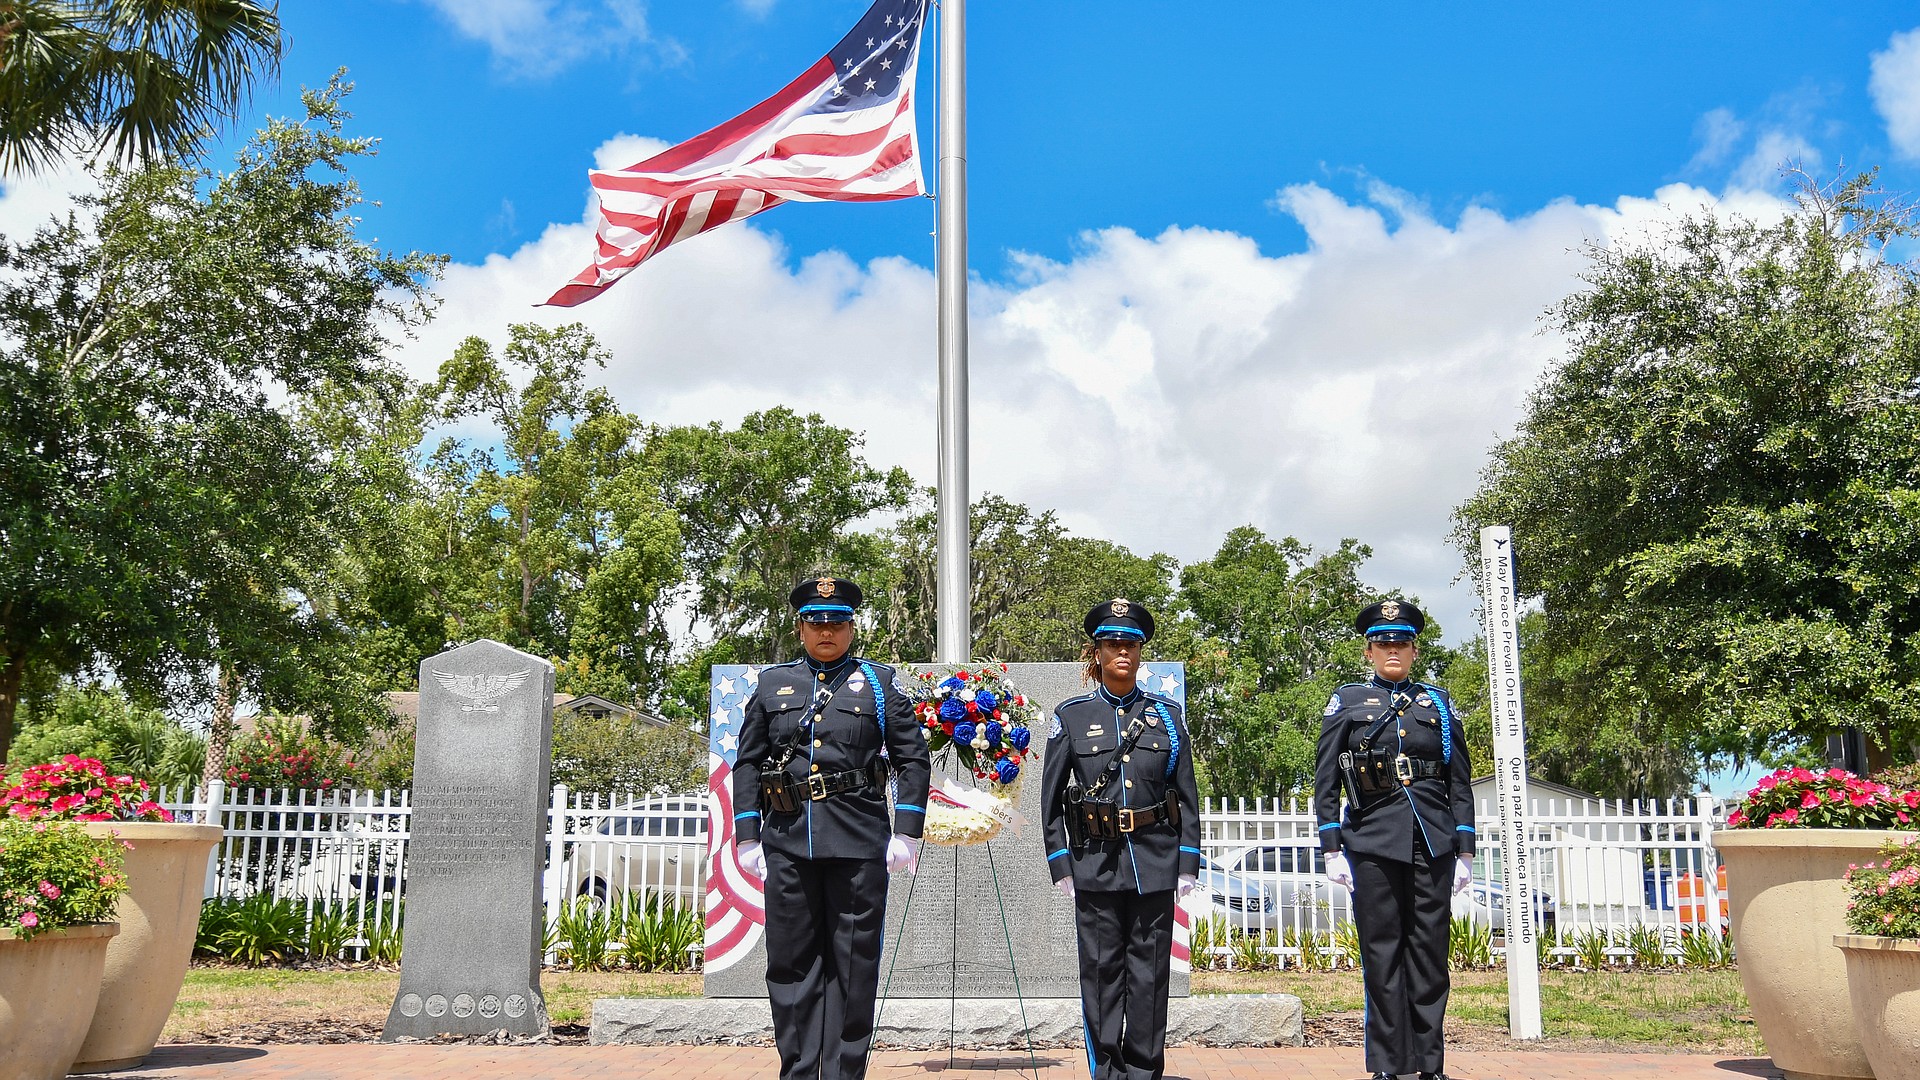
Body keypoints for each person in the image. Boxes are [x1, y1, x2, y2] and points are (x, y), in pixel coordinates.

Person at [732, 577, 933, 1080]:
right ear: (800, 628)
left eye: (838, 623)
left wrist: (906, 831)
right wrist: (748, 836)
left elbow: (912, 758)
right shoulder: (772, 685)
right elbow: (748, 764)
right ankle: (798, 1070)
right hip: (788, 841)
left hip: (859, 841)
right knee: (791, 964)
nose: (827, 632)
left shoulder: (881, 685)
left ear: (851, 628)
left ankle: (844, 1072)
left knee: (853, 964)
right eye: (817, 623)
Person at [1313, 599, 1475, 1080]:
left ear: (1414, 650)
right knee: (1381, 954)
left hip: (1432, 840)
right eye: (1383, 643)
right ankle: (1387, 1063)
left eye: (1401, 643)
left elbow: (1459, 780)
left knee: (1429, 955)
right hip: (1372, 841)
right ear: (1368, 650)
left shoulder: (1438, 704)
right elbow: (1326, 779)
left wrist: (1464, 849)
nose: (1392, 651)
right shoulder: (1347, 702)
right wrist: (1331, 846)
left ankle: (1429, 1064)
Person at [1041, 598, 1201, 1080]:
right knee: (1102, 976)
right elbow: (1050, 799)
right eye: (1113, 643)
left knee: (1150, 979)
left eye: (1131, 644)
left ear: (1141, 652)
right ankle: (1106, 1071)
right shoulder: (1070, 716)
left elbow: (1187, 794)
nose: (1123, 652)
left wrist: (1188, 863)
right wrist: (1061, 863)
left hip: (1154, 863)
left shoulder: (1167, 717)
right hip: (1095, 864)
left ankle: (1144, 1071)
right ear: (1097, 653)